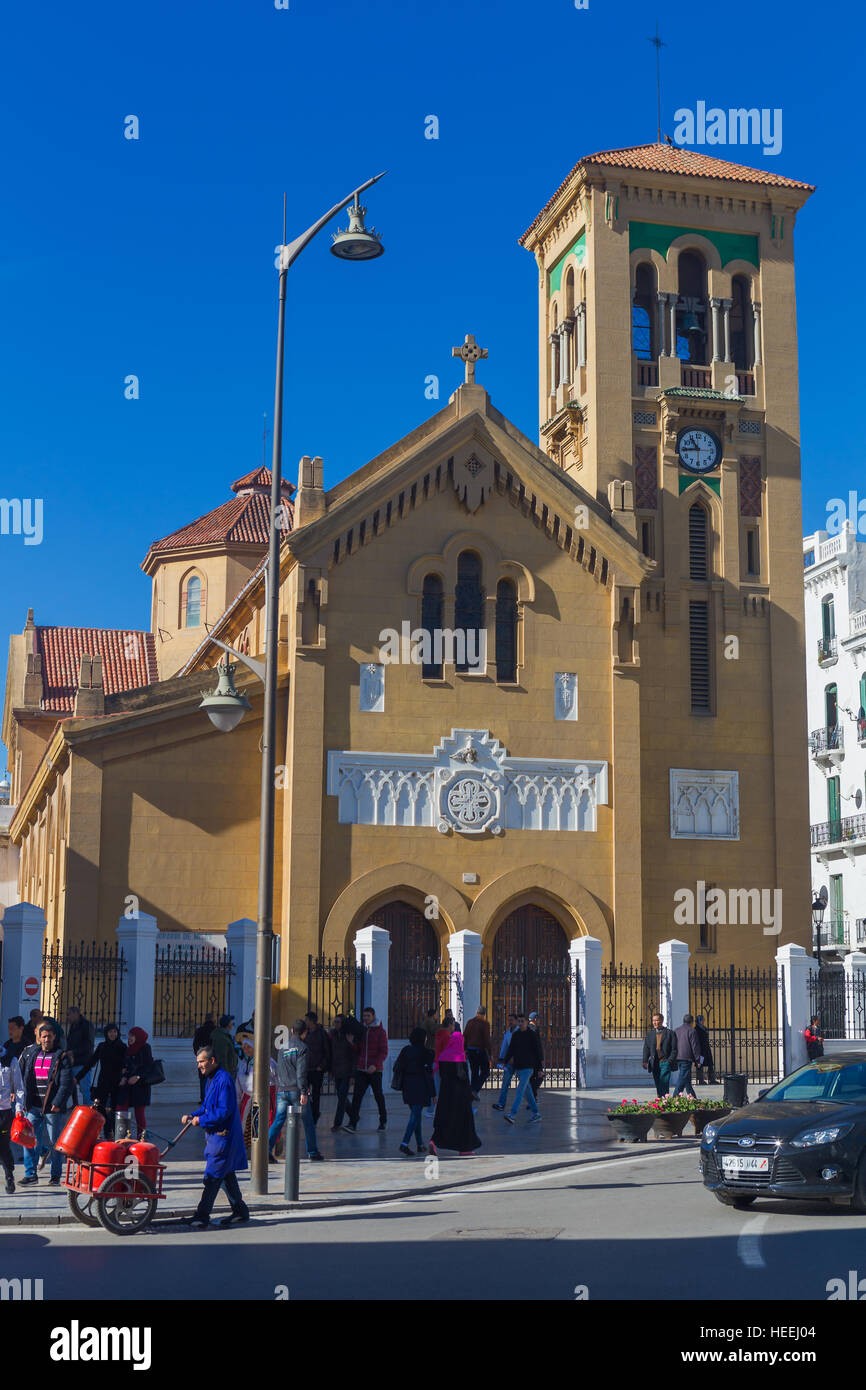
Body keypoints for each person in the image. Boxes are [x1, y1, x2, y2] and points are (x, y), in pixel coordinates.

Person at [184, 1046, 250, 1230]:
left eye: (202, 1062)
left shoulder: (225, 1080)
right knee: (226, 1175)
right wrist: (192, 1115)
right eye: (197, 1063)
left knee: (213, 1177)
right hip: (215, 1137)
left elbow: (223, 1111)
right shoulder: (211, 1080)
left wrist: (201, 1120)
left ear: (212, 1061)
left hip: (224, 1137)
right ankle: (240, 1211)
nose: (199, 1066)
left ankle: (202, 1215)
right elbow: (206, 1106)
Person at [19, 1021, 75, 1185]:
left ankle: (56, 1175)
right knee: (29, 1140)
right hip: (33, 1106)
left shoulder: (61, 1057)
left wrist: (57, 1103)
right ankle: (30, 1174)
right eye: (43, 1036)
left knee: (55, 1143)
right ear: (39, 1037)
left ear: (54, 1037)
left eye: (49, 1037)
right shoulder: (33, 1054)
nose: (46, 1039)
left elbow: (66, 1084)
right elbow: (25, 1078)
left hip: (52, 1108)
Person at [269, 1020, 322, 1162]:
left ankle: (266, 1150)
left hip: (282, 1090)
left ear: (292, 1030)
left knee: (279, 1120)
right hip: (296, 1090)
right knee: (308, 1122)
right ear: (305, 1033)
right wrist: (304, 1091)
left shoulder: (282, 1048)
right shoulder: (302, 1047)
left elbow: (280, 1069)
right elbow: (301, 1072)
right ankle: (312, 1151)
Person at [430, 1028, 481, 1155]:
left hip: (445, 1094)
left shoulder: (443, 1056)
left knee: (444, 1120)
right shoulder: (459, 1056)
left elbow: (441, 1075)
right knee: (464, 1122)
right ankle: (465, 1148)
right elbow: (462, 1077)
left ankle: (434, 1141)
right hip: (460, 1095)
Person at [75, 1023, 127, 1137]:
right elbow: (91, 1063)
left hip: (117, 1082)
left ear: (117, 1033)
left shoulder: (122, 1047)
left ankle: (115, 1133)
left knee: (114, 1109)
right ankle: (107, 1131)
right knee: (100, 1107)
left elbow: (127, 1065)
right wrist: (78, 1077)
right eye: (110, 1032)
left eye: (114, 1032)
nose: (112, 1034)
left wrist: (125, 1077)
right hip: (103, 1081)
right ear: (106, 1034)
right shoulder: (102, 1046)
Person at [342, 1006, 388, 1133]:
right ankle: (352, 1124)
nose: (366, 1018)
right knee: (357, 1096)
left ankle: (383, 1121)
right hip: (362, 1069)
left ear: (373, 1016)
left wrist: (376, 1065)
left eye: (368, 1016)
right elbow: (358, 1051)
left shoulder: (380, 1031)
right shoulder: (361, 1030)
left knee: (378, 1096)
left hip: (375, 1071)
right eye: (364, 1016)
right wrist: (352, 1043)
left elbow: (384, 1051)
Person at [393, 1027, 435, 1156]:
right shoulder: (427, 1053)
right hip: (420, 1086)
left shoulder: (406, 1050)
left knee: (416, 1114)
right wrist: (433, 1093)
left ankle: (420, 1144)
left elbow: (397, 1067)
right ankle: (404, 1143)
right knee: (415, 1115)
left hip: (407, 1085)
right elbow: (429, 1074)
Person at [236, 1036, 277, 1152]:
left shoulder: (267, 1061)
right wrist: (238, 1099)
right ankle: (241, 1145)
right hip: (248, 1095)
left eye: (249, 1047)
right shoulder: (243, 1064)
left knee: (267, 1120)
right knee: (244, 1121)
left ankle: (268, 1147)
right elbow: (238, 1082)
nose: (247, 1050)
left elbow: (277, 1076)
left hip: (264, 1095)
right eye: (244, 1048)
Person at [500, 1014, 543, 1125]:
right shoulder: (516, 1035)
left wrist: (540, 1069)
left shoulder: (532, 1035)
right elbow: (511, 1050)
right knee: (527, 1092)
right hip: (518, 1067)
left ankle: (512, 1115)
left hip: (528, 1068)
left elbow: (538, 1052)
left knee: (520, 1090)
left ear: (527, 1022)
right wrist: (505, 1061)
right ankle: (536, 1113)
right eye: (518, 1021)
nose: (520, 1023)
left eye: (522, 1021)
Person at [115, 1027, 155, 1140]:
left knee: (139, 1113)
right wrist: (123, 1076)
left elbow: (148, 1067)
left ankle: (141, 1137)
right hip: (127, 1085)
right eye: (129, 1036)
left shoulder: (145, 1048)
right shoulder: (129, 1049)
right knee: (121, 1109)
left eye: (132, 1036)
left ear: (138, 1037)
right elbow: (125, 1066)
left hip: (140, 1086)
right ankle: (122, 1137)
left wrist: (138, 1076)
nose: (130, 1038)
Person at [0, 1047, 25, 1193]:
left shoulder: (10, 1059)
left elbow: (19, 1086)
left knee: (2, 1145)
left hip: (4, 1112)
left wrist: (19, 1108)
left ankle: (9, 1175)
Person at [329, 1014, 357, 1131]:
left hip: (346, 1072)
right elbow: (331, 1054)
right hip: (337, 1071)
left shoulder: (349, 1036)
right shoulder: (333, 1035)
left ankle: (337, 1123)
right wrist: (330, 1071)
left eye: (338, 1022)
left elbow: (354, 1056)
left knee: (341, 1098)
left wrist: (352, 1075)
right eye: (334, 1022)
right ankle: (354, 1116)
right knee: (342, 1096)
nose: (336, 1024)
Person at [303, 1011, 332, 1124]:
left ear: (311, 1021)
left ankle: (315, 1115)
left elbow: (327, 1051)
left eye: (306, 1020)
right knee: (303, 1092)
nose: (305, 1022)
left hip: (317, 1070)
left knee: (316, 1094)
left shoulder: (321, 1034)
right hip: (306, 1068)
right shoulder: (306, 1033)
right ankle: (309, 1112)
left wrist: (322, 1066)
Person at [642, 1012, 677, 1097]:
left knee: (664, 1082)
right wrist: (645, 1061)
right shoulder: (650, 1034)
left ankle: (664, 1100)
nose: (655, 1022)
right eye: (653, 1020)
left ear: (662, 1021)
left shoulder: (670, 1033)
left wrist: (669, 1061)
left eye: (657, 1020)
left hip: (665, 1062)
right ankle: (661, 1099)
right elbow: (646, 1048)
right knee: (658, 1082)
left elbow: (674, 1049)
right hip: (655, 1062)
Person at [65, 1008, 95, 1105]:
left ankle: (89, 1111)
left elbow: (88, 1045)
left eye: (69, 1014)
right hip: (74, 1062)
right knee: (70, 1086)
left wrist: (73, 1052)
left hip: (83, 1062)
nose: (67, 1017)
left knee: (85, 1089)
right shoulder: (74, 1026)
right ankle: (75, 1105)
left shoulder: (86, 1025)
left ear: (76, 1013)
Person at [463, 1005, 492, 1100]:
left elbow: (465, 1036)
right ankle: (475, 1090)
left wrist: (464, 1050)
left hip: (470, 1051)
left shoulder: (470, 1022)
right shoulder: (485, 1024)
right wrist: (490, 1055)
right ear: (484, 1014)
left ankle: (472, 1093)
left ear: (476, 1012)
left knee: (474, 1072)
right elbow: (487, 1040)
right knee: (486, 1071)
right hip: (480, 1050)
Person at [671, 1014, 701, 1099]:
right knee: (682, 1078)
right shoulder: (692, 1030)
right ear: (692, 1022)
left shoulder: (677, 1030)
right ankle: (675, 1098)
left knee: (687, 1080)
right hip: (686, 1057)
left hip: (678, 1057)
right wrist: (698, 1060)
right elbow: (694, 1046)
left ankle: (693, 1098)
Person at [193, 1013, 216, 1100]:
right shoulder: (216, 1030)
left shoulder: (199, 1030)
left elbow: (195, 1045)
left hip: (202, 1057)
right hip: (212, 1057)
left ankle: (203, 1098)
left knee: (203, 1078)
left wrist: (198, 1055)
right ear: (213, 1020)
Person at [210, 1014, 238, 1079]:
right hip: (225, 1073)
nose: (232, 1024)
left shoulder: (224, 1036)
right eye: (231, 1022)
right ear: (228, 1024)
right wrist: (225, 1075)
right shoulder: (222, 1038)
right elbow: (222, 1058)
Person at [528, 1012, 545, 1098]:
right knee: (540, 1076)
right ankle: (531, 1095)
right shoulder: (535, 1030)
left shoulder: (526, 1029)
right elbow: (538, 1046)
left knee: (531, 1078)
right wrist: (541, 1059)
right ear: (535, 1019)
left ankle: (533, 1097)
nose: (539, 1021)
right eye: (538, 1019)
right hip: (535, 1059)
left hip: (528, 1058)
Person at [694, 1015, 714, 1085]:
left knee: (711, 1064)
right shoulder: (696, 1029)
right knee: (700, 1065)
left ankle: (712, 1079)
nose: (703, 1021)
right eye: (702, 1020)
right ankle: (700, 1080)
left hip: (706, 1050)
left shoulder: (704, 1028)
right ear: (698, 1021)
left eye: (703, 1020)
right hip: (701, 1051)